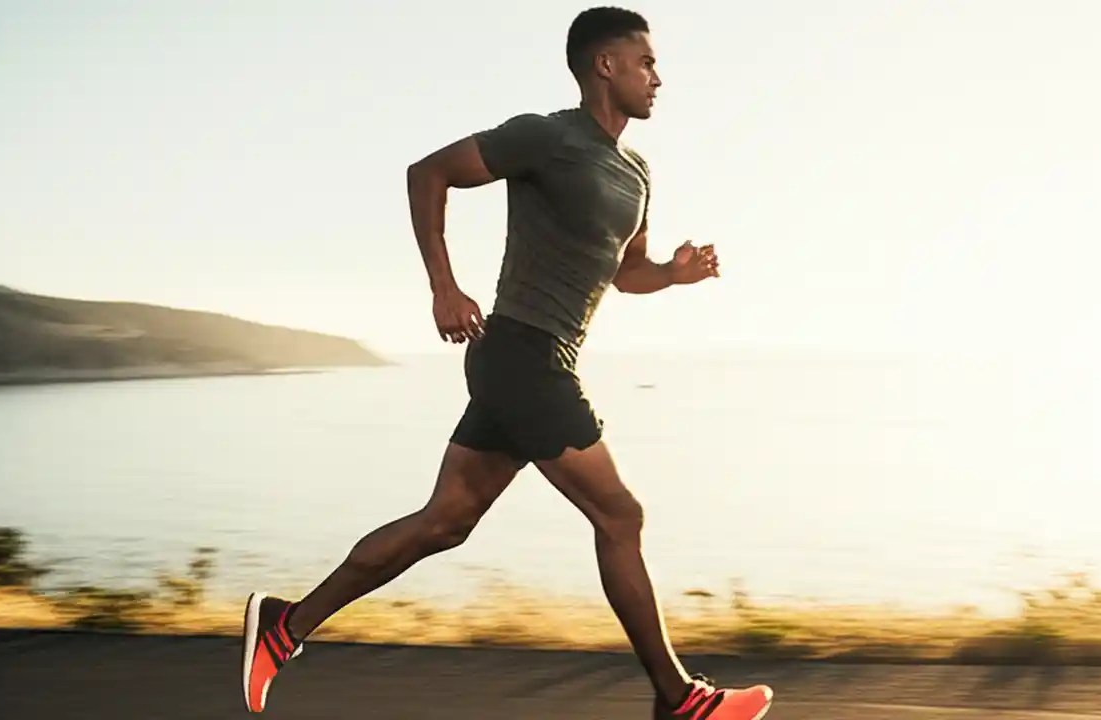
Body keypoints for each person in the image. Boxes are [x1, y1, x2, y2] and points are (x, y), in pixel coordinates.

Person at [242, 7, 774, 719]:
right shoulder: (546, 137)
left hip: (537, 362)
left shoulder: (638, 173)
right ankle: (679, 700)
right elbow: (426, 173)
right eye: (645, 62)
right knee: (620, 515)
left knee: (445, 522)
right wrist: (443, 285)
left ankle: (285, 625)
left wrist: (673, 275)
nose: (658, 77)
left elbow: (626, 272)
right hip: (521, 354)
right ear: (604, 66)